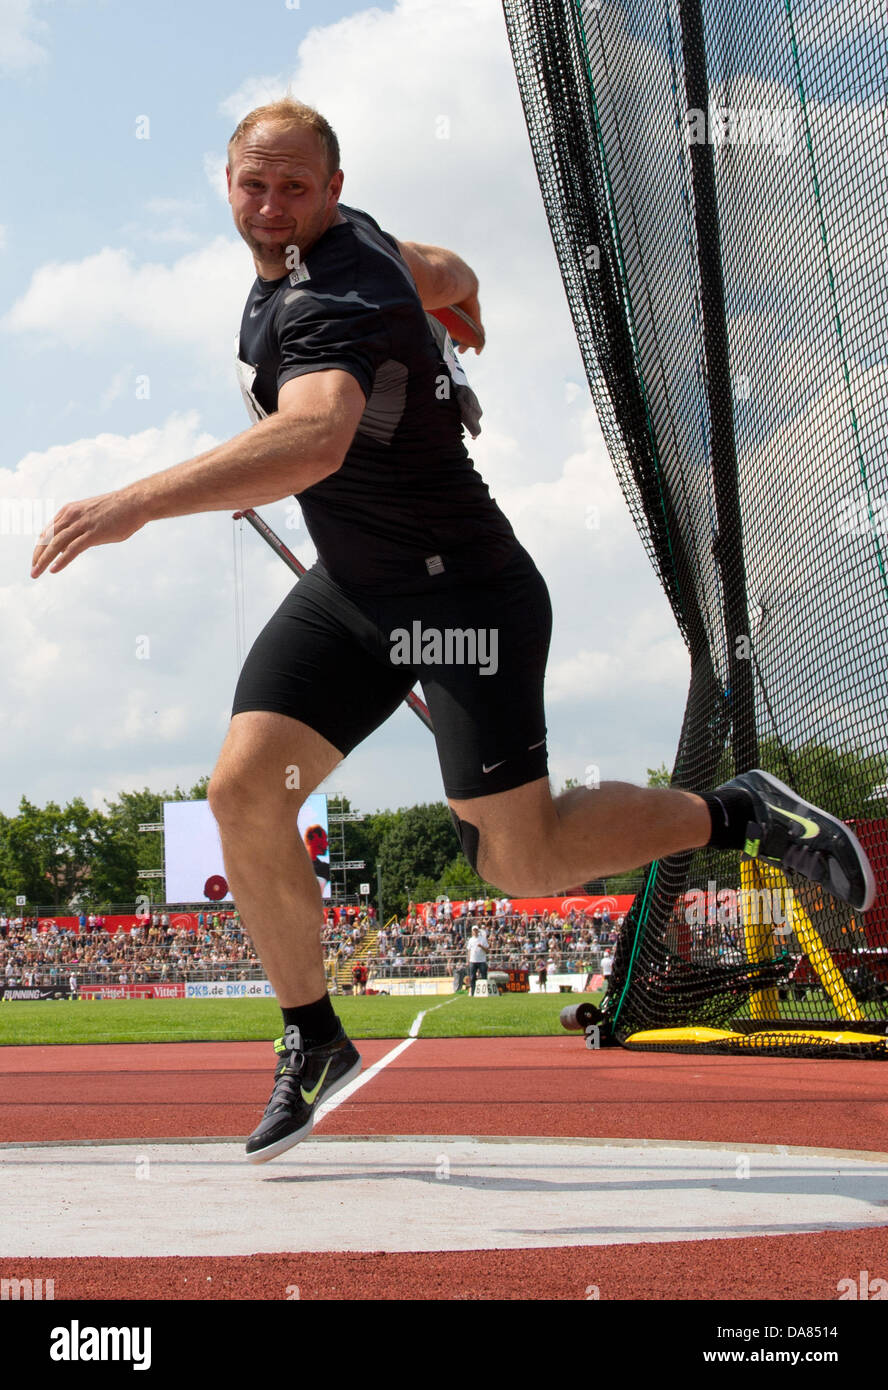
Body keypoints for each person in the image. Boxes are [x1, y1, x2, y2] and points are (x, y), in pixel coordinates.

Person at [30, 98, 876, 1165]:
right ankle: (314, 1036)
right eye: (256, 185)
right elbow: (439, 263)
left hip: (464, 597)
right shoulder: (360, 243)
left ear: (332, 190)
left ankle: (736, 810)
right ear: (229, 185)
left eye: (296, 187)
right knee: (244, 792)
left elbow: (319, 435)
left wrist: (135, 502)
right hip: (353, 592)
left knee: (520, 862)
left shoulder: (329, 295)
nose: (273, 206)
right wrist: (462, 293)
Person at [467, 924, 489, 995]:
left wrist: (481, 946)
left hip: (481, 960)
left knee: (484, 976)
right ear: (472, 931)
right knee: (473, 977)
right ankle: (473, 992)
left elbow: (487, 950)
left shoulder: (482, 939)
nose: (475, 931)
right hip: (473, 961)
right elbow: (469, 951)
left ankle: (485, 992)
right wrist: (468, 960)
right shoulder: (470, 940)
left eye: (476, 930)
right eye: (474, 930)